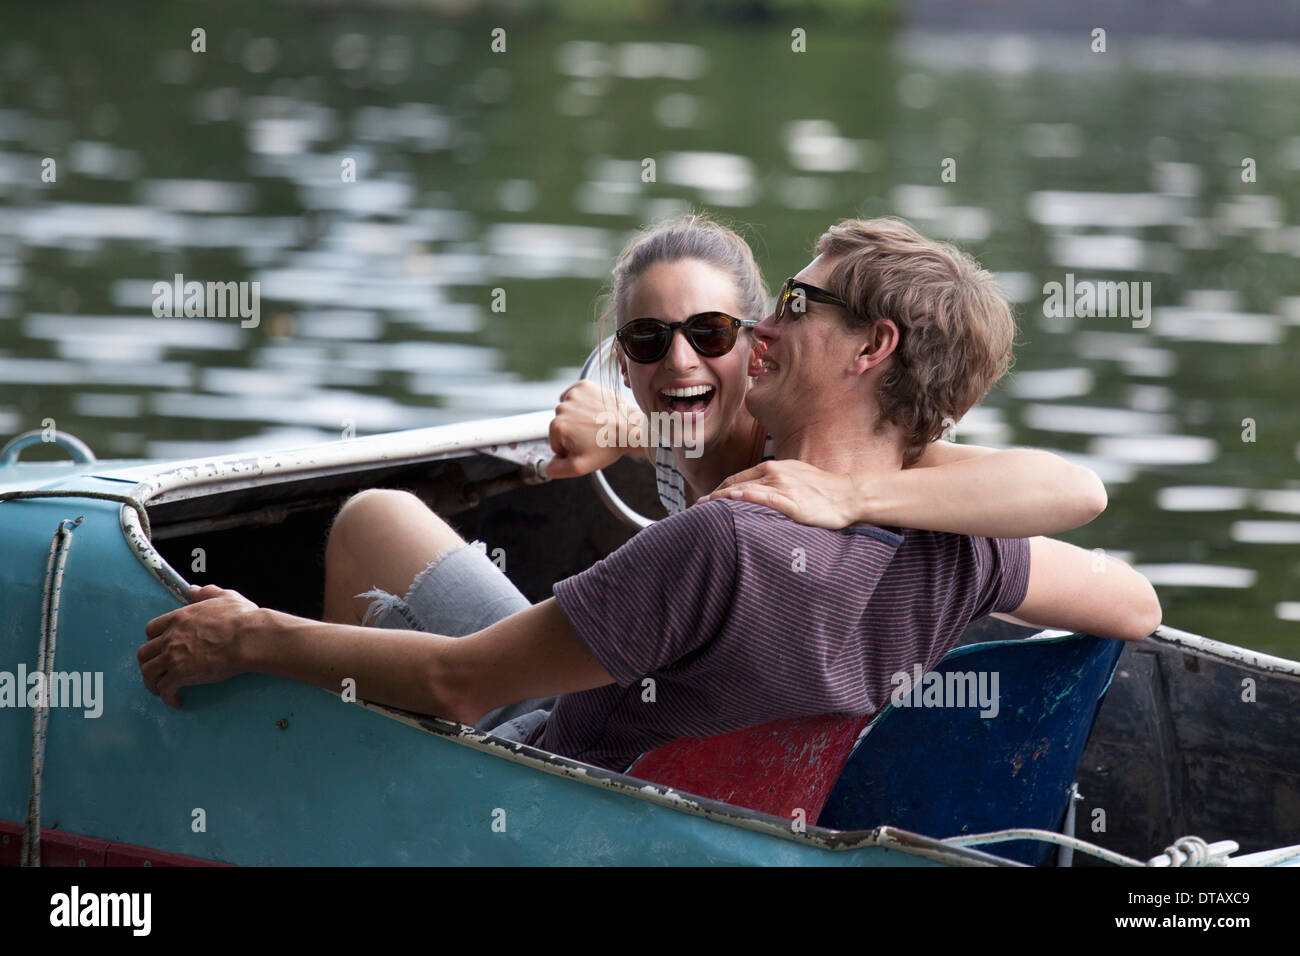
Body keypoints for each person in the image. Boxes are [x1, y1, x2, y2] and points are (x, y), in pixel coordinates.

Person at [138, 217, 1161, 774]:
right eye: (649, 341)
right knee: (380, 526)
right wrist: (858, 501)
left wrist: (250, 636)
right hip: (730, 799)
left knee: (368, 538)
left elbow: (460, 683)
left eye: (787, 310)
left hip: (558, 774)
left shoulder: (726, 540)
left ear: (870, 349)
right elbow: (1134, 605)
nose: (761, 332)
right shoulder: (964, 545)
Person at [544, 213, 1107, 536]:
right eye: (647, 338)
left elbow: (1076, 490)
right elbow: (671, 432)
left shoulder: (828, 451)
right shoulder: (674, 425)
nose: (679, 360)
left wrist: (848, 495)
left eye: (711, 332)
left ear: (750, 343)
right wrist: (618, 431)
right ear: (623, 358)